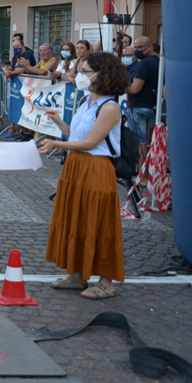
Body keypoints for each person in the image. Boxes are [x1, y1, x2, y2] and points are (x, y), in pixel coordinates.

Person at [38, 52, 129, 299]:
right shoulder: (86, 102)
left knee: (97, 221)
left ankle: (106, 281)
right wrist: (59, 124)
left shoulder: (109, 107)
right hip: (77, 166)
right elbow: (76, 138)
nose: (80, 75)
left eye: (85, 71)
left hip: (95, 168)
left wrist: (57, 145)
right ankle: (78, 273)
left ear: (102, 75)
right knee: (75, 217)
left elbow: (91, 143)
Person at [127, 36, 160, 171]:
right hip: (152, 107)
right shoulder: (158, 62)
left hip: (139, 107)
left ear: (149, 47)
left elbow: (135, 89)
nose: (136, 50)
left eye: (139, 47)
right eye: (135, 47)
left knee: (140, 143)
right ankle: (150, 173)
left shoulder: (144, 63)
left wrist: (119, 85)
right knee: (149, 142)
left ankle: (143, 176)